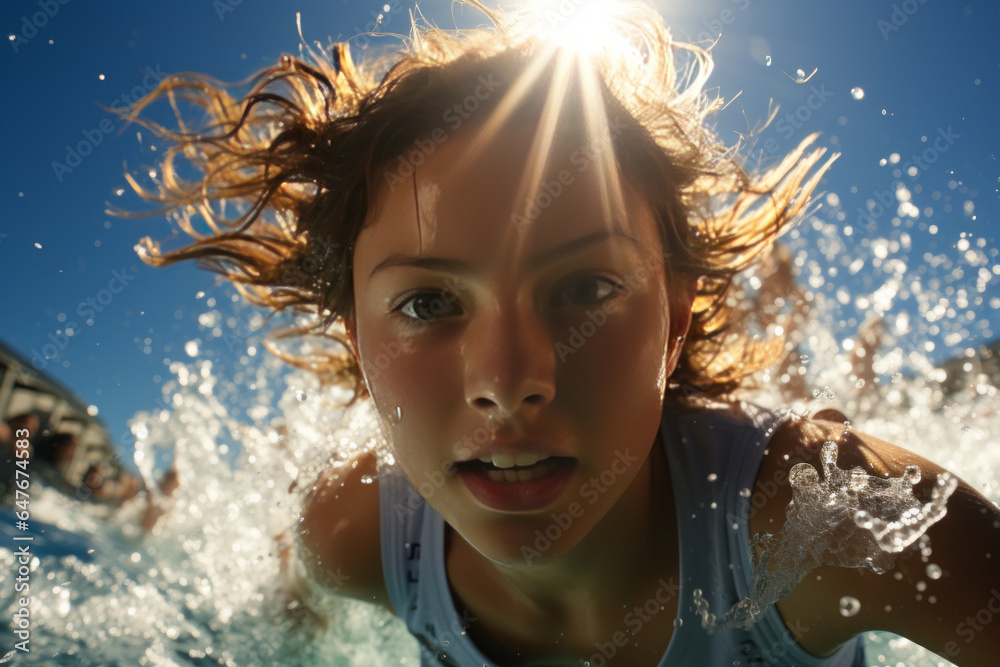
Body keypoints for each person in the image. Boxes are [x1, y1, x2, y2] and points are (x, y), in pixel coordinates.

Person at [113, 1, 1000, 664]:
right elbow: (266, 631)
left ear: (677, 316)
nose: (509, 378)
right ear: (354, 339)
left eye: (585, 285)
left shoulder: (835, 525)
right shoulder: (352, 532)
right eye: (427, 303)